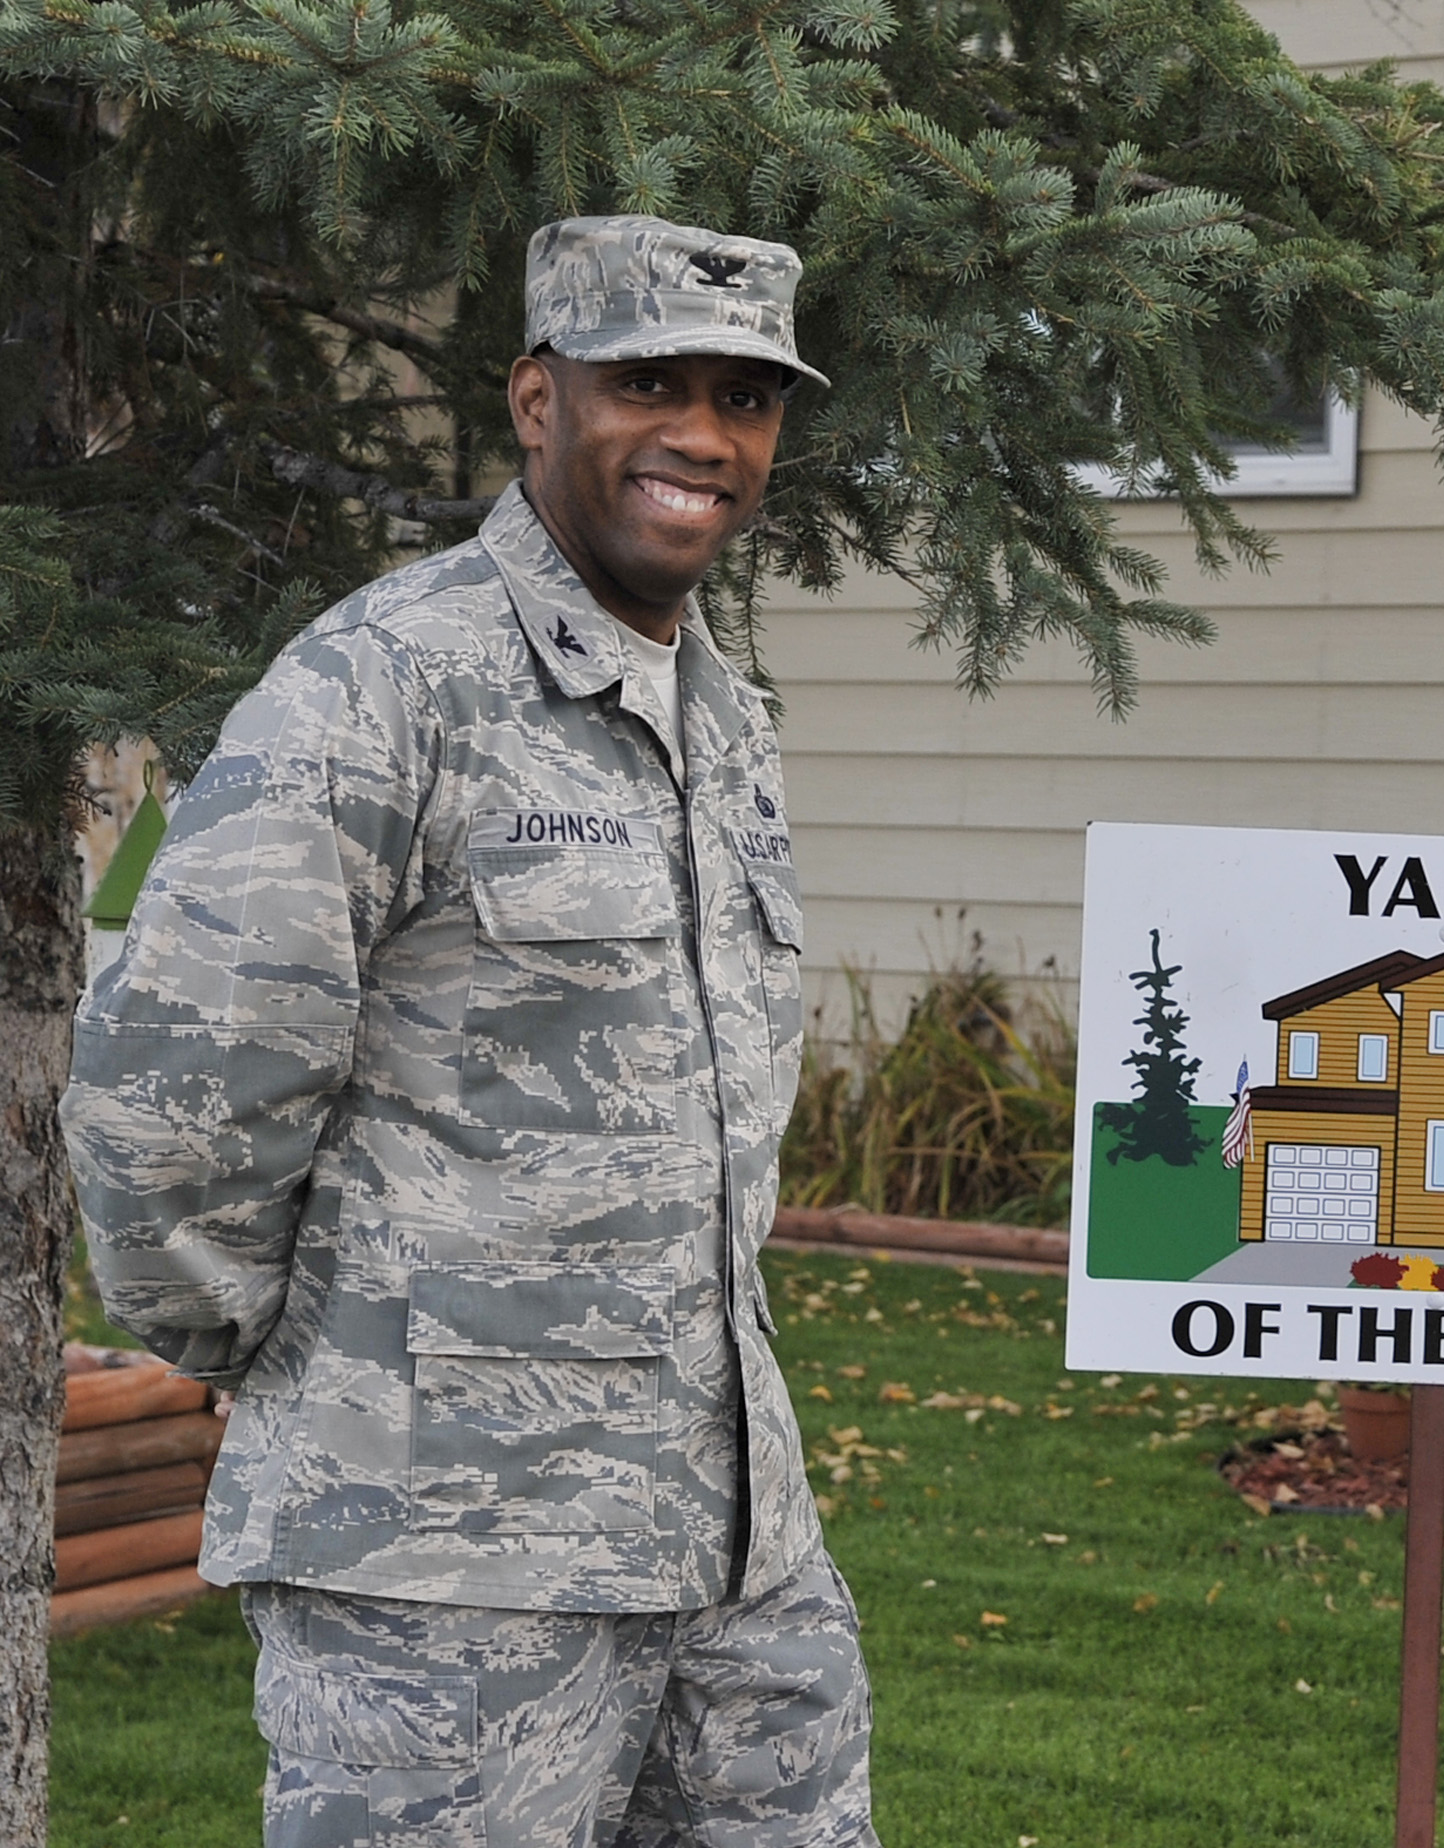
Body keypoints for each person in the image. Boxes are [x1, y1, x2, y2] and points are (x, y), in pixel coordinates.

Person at [61, 216, 875, 1846]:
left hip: (728, 1543)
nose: (706, 436)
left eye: (747, 397)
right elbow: (173, 1103)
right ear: (535, 399)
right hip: (443, 1572)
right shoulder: (382, 685)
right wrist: (319, 1379)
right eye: (648, 381)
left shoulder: (719, 713)